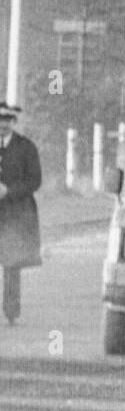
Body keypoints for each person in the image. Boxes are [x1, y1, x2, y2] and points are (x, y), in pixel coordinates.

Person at [0, 101, 43, 326]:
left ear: (13, 122)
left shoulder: (26, 147)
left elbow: (35, 181)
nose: (2, 125)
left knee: (11, 262)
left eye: (7, 120)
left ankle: (11, 311)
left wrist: (8, 191)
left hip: (15, 214)